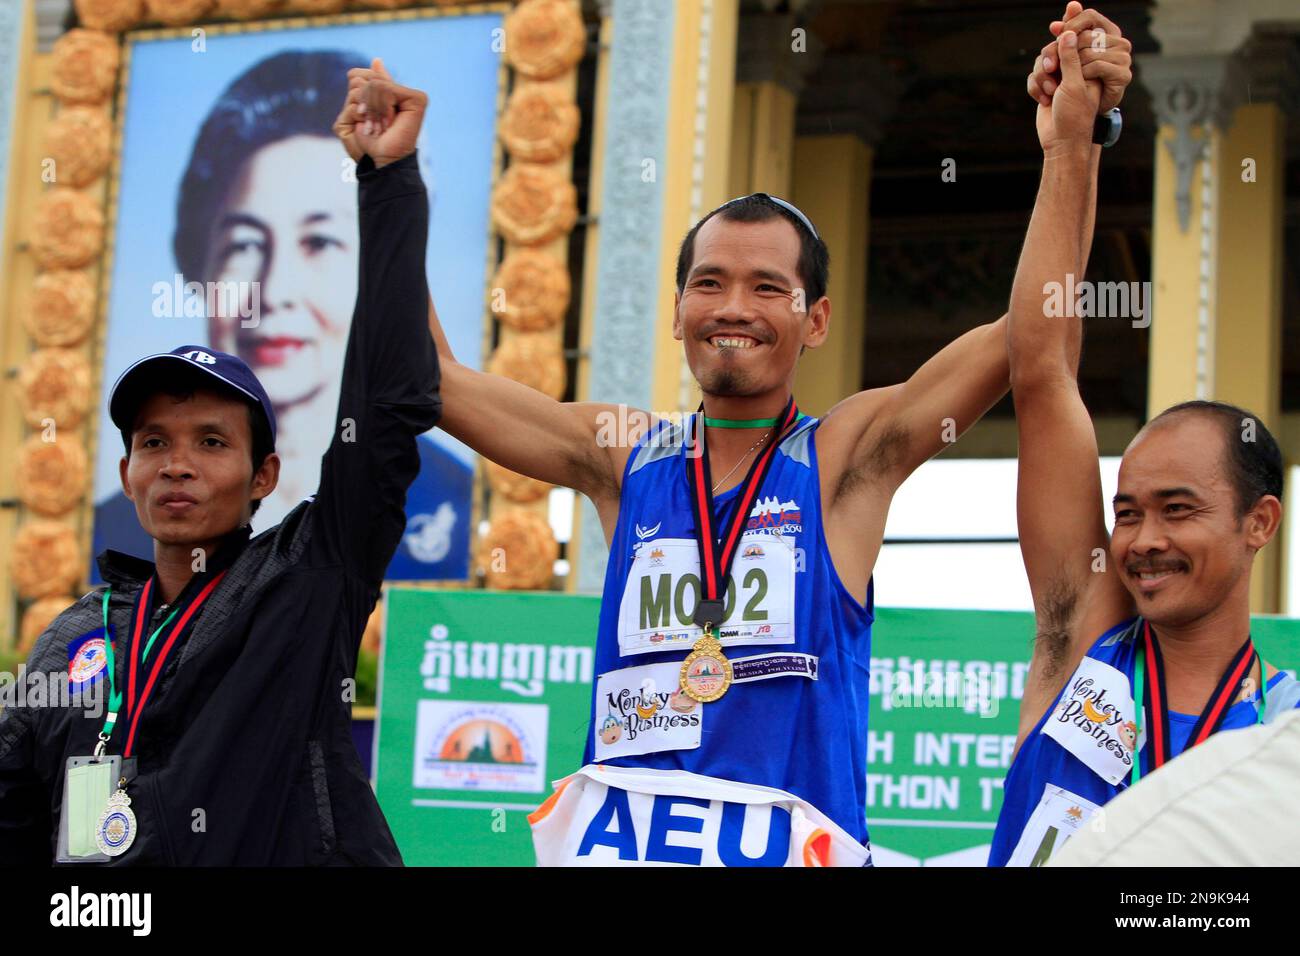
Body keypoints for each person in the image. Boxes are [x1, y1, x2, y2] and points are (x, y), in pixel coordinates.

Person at [386, 6, 1133, 865]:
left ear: (814, 320)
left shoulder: (847, 457)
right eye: (709, 282)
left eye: (766, 288)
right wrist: (391, 181)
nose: (733, 307)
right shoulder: (623, 454)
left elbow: (1031, 334)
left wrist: (1074, 143)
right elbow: (429, 381)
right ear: (677, 314)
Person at [0, 60, 436, 865]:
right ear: (127, 469)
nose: (176, 465)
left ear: (264, 477)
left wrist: (387, 181)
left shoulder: (305, 583)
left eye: (211, 442)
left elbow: (388, 407)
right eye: (154, 444)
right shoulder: (71, 640)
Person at [988, 4, 1300, 867]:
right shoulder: (1079, 635)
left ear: (1259, 522)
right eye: (1126, 512)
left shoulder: (1287, 734)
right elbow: (1043, 364)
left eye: (1177, 509)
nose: (1142, 541)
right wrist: (1072, 146)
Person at [92, 49, 472, 582]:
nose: (274, 291)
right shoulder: (94, 602)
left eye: (319, 241)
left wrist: (388, 176)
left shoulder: (365, 541)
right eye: (245, 244)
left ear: (264, 476)